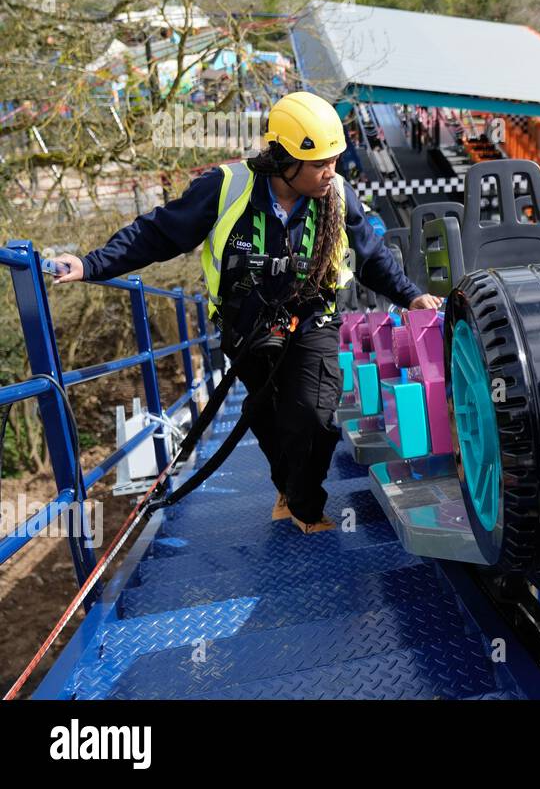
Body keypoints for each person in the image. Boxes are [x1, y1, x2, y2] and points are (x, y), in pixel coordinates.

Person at [51, 91, 441, 533]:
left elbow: (370, 256)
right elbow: (158, 233)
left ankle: (306, 509)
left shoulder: (336, 195)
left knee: (314, 417)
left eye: (334, 159)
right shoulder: (224, 188)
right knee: (267, 418)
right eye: (318, 164)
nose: (329, 172)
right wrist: (91, 264)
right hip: (247, 327)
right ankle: (289, 489)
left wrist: (410, 296)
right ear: (282, 160)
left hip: (313, 318)